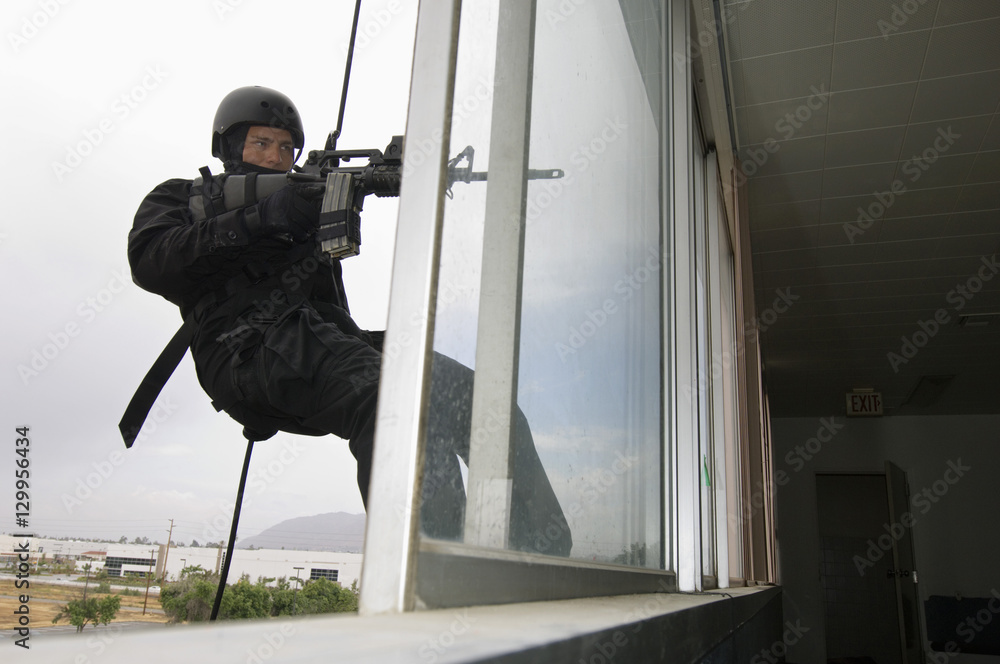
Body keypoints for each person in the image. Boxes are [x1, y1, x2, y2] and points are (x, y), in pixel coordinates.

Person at [127, 85, 571, 556]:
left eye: (286, 148)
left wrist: (320, 213)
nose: (277, 157)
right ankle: (428, 569)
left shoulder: (302, 203)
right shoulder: (182, 196)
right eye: (262, 143)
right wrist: (263, 218)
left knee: (481, 402)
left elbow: (330, 310)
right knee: (392, 399)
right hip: (244, 349)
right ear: (229, 147)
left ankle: (542, 558)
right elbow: (150, 261)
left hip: (321, 341)